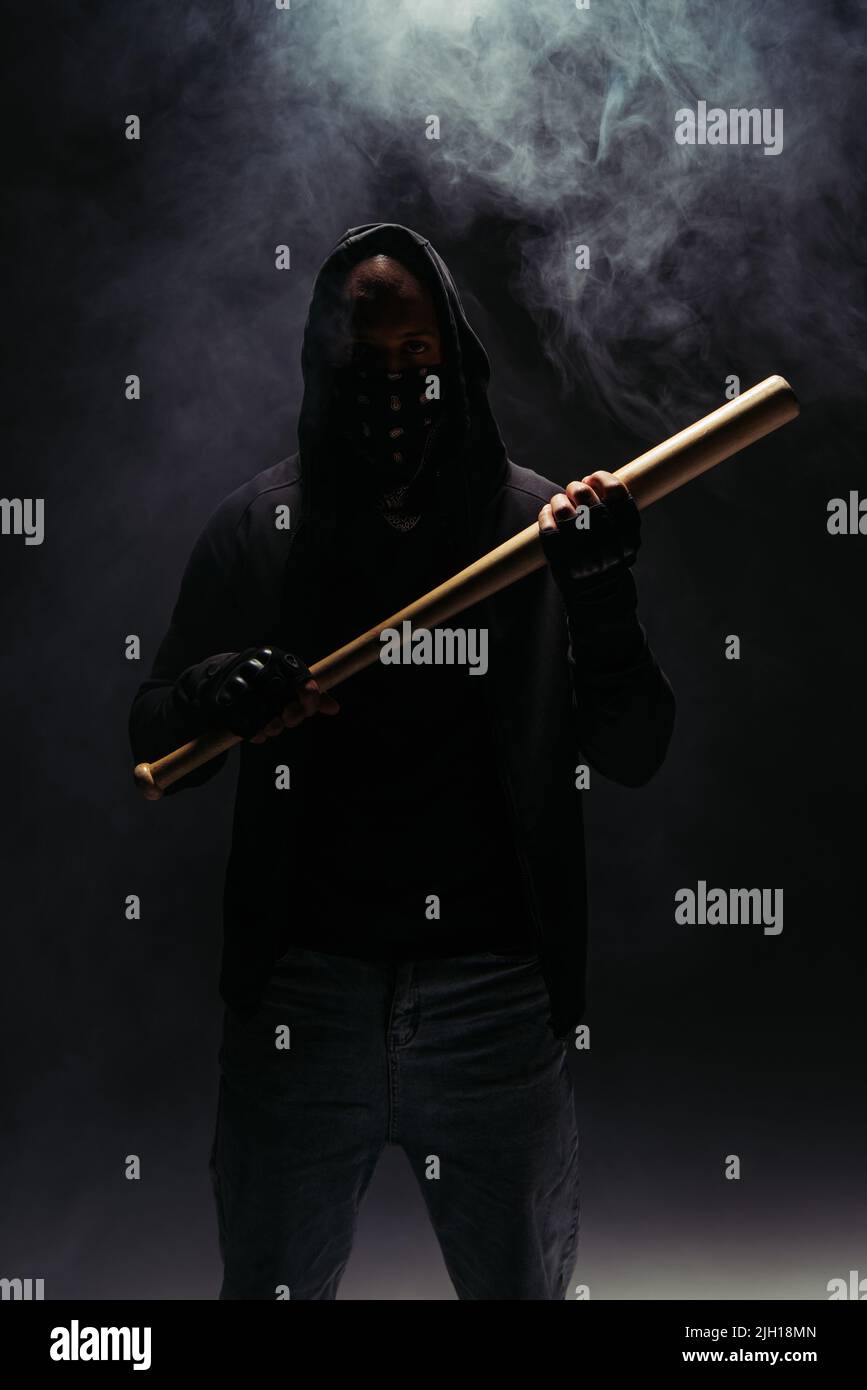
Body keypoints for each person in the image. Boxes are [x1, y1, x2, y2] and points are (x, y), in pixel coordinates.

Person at [129, 221, 675, 1300]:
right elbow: (153, 740)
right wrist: (213, 692)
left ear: (456, 363)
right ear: (319, 368)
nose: (391, 387)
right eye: (361, 363)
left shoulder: (540, 529)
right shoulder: (259, 528)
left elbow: (634, 750)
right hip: (302, 1005)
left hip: (494, 1009)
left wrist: (604, 597)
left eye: (417, 361)